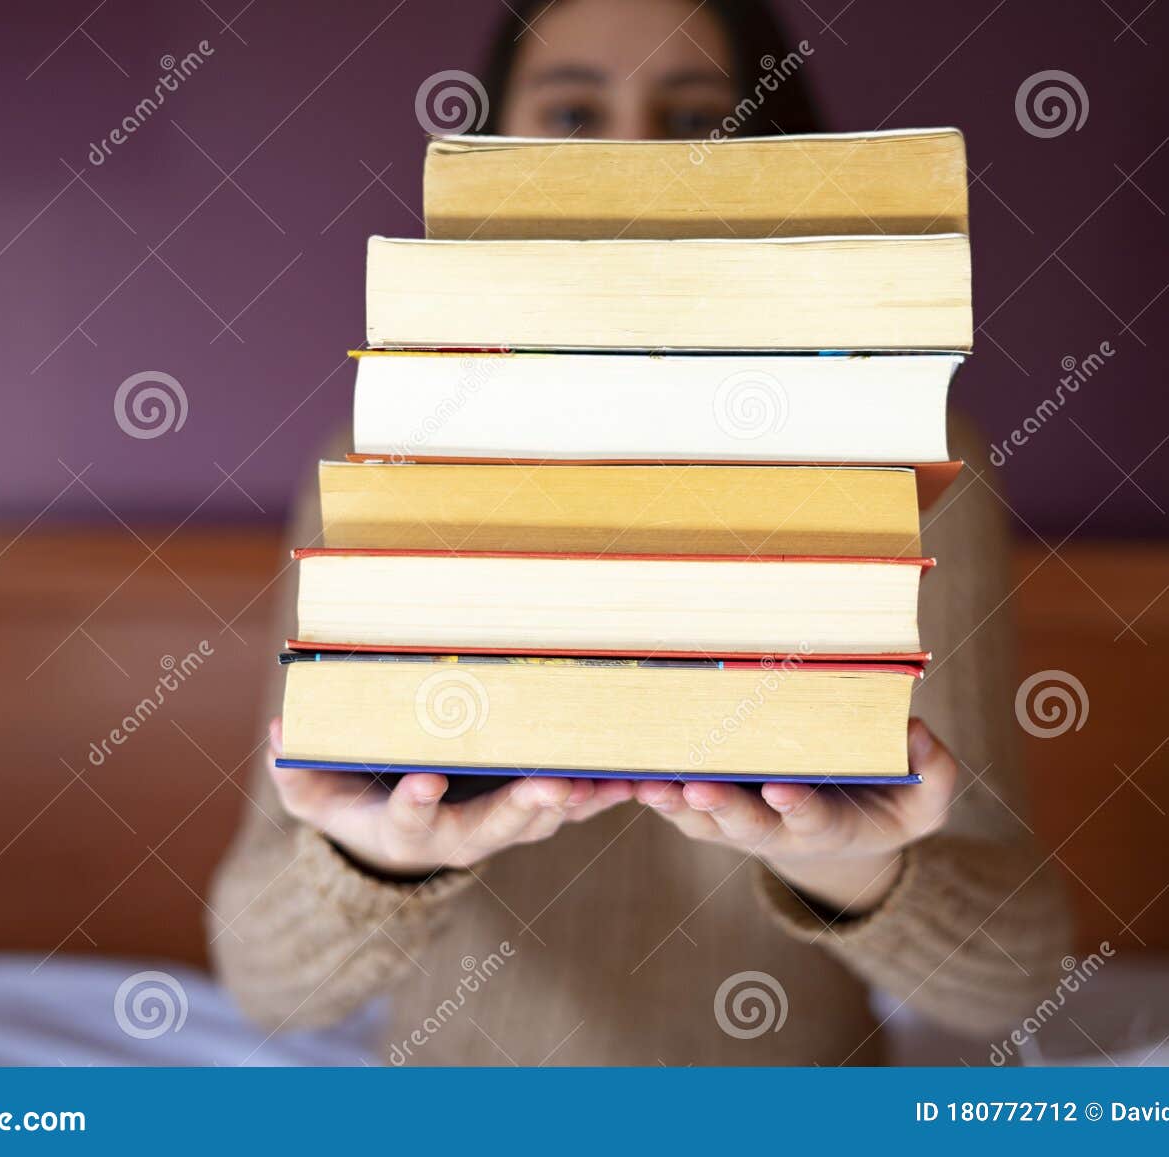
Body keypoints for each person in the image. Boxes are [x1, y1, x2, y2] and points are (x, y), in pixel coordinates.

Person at [209, 0, 1072, 1065]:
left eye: (696, 118)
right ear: (491, 146)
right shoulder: (384, 442)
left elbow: (1014, 977)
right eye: (572, 114)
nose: (630, 159)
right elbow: (263, 980)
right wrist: (377, 863)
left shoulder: (912, 455)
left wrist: (857, 874)